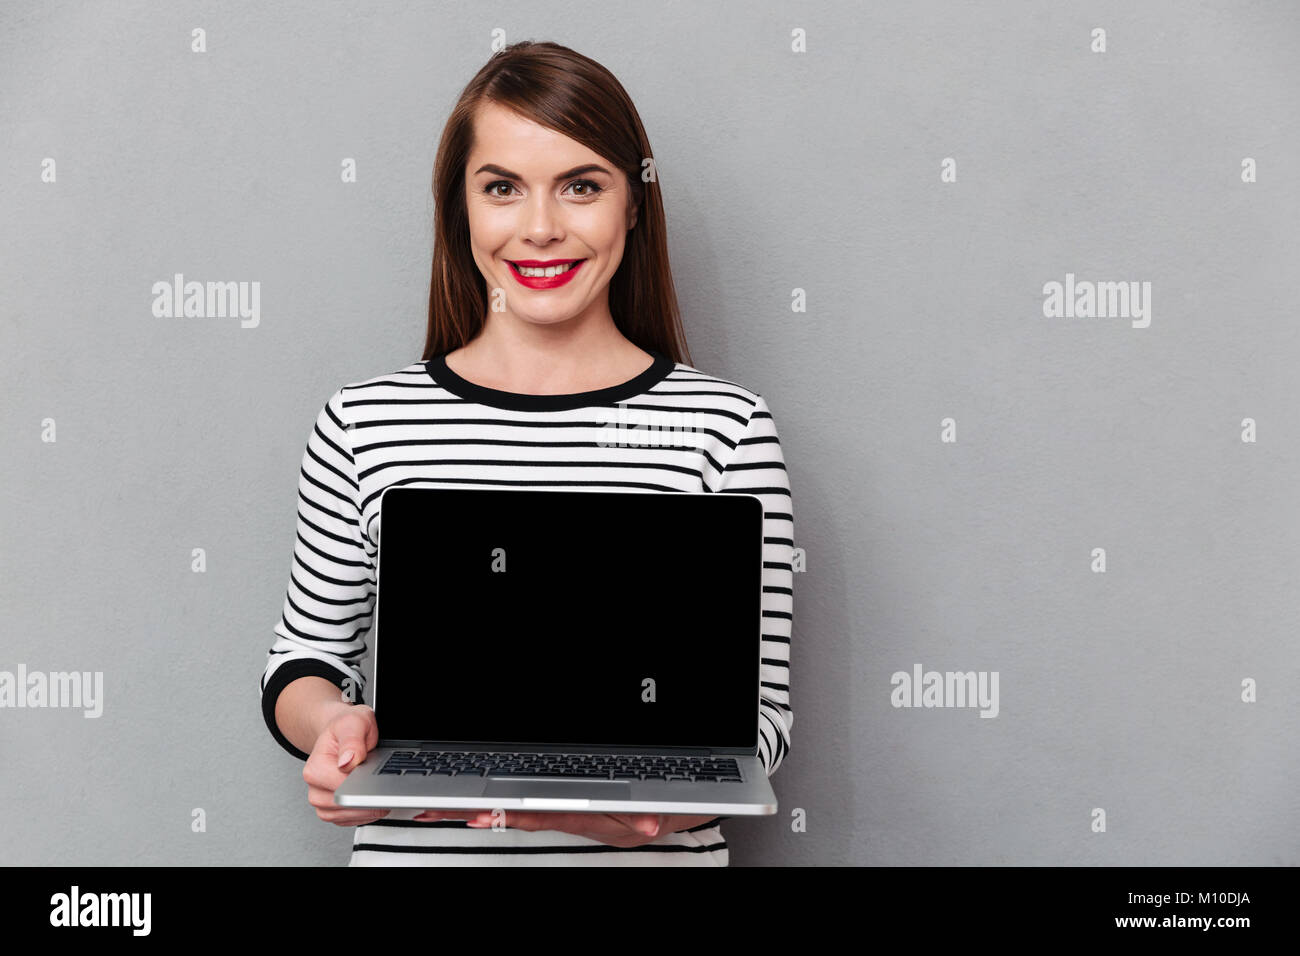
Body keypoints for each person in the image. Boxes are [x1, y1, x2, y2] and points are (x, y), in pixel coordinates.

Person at [259, 40, 794, 865]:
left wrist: (623, 814)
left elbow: (759, 725)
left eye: (582, 186)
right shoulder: (363, 421)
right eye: (502, 188)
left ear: (634, 207)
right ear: (461, 210)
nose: (541, 228)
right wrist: (332, 725)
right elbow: (304, 661)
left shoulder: (725, 426)